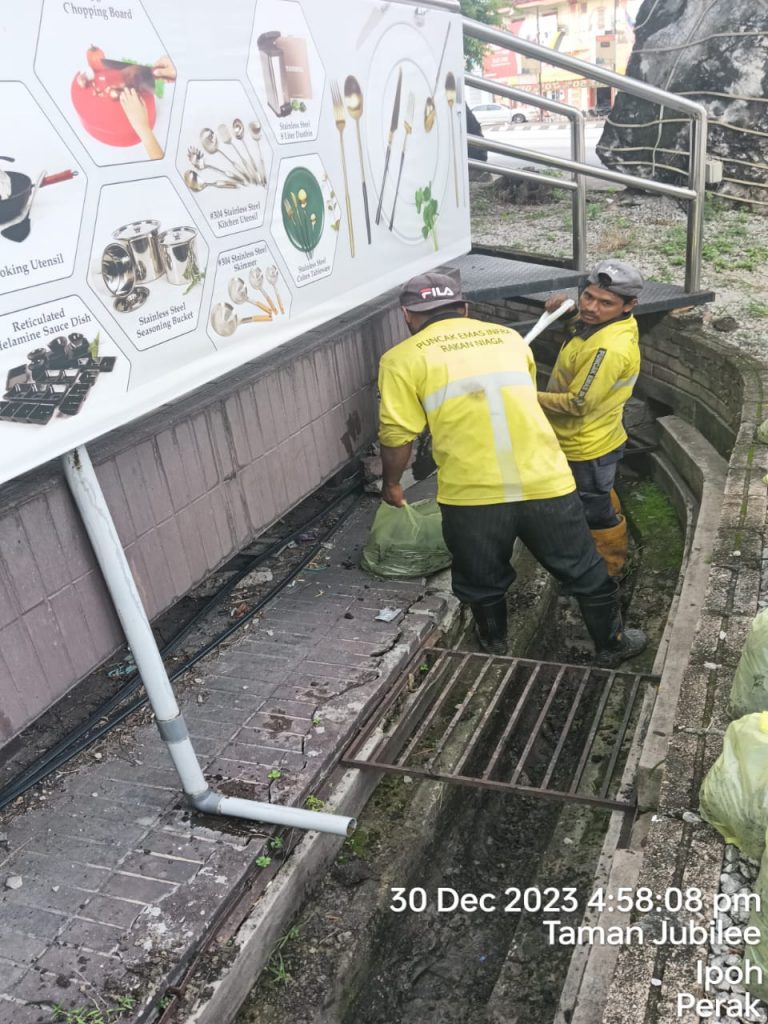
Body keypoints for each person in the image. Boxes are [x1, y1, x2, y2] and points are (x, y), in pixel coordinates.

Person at [377, 270, 645, 666]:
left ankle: (495, 643)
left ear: (407, 315)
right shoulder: (509, 340)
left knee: (480, 578)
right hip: (546, 482)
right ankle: (612, 645)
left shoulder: (400, 359)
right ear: (464, 308)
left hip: (472, 493)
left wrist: (392, 484)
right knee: (585, 569)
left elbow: (397, 435)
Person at [538, 260, 643, 576]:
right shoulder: (604, 326)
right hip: (589, 437)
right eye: (588, 297)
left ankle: (610, 570)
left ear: (629, 305)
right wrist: (569, 315)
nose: (591, 308)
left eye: (605, 303)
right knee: (597, 495)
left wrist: (522, 396)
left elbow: (577, 402)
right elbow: (583, 335)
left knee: (595, 508)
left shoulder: (609, 348)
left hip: (587, 446)